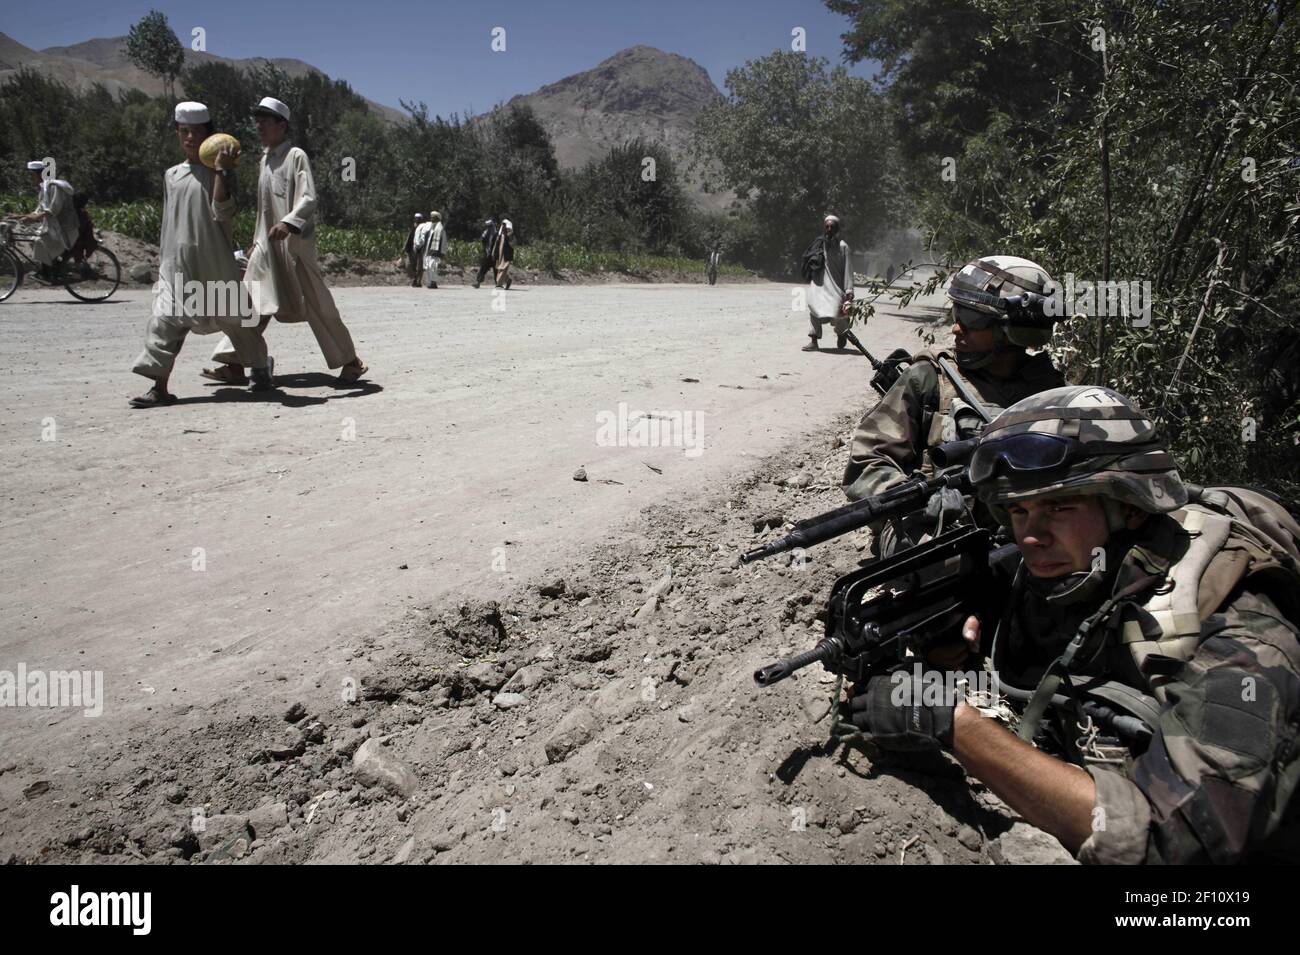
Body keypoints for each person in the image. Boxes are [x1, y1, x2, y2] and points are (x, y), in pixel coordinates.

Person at [842, 384, 1300, 863]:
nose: (1032, 536)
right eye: (1018, 510)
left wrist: (950, 722)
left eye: (1059, 507)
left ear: (1129, 504)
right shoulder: (1067, 567)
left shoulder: (1241, 633)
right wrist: (948, 638)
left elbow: (1171, 840)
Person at [842, 255, 1066, 556]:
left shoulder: (1052, 392)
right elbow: (868, 459)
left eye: (972, 320)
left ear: (1012, 330)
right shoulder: (929, 378)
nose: (957, 329)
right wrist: (911, 498)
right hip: (937, 531)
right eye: (957, 313)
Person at [202, 96, 368, 386]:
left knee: (318, 305)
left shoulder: (295, 156)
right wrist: (256, 240)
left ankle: (351, 361)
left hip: (294, 248)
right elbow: (263, 208)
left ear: (282, 125)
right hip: (266, 248)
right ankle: (235, 363)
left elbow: (308, 197)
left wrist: (288, 222)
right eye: (258, 120)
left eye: (265, 120)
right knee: (251, 303)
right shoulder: (265, 160)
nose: (259, 125)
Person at [129, 103, 272, 407]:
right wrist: (163, 257)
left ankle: (260, 368)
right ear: (177, 134)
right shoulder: (171, 175)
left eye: (197, 132)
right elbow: (170, 220)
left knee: (235, 321)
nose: (190, 138)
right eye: (184, 132)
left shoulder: (217, 175)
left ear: (210, 135)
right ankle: (159, 387)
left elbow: (223, 211)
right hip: (176, 263)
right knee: (164, 320)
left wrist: (221, 170)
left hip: (213, 262)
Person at [18, 160, 80, 277]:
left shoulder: (54, 187)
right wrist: (19, 216)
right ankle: (49, 268)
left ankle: (52, 271)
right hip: (56, 228)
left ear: (38, 175)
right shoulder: (44, 190)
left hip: (66, 229)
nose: (32, 179)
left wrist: (36, 217)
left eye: (32, 175)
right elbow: (38, 211)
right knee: (34, 238)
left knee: (39, 241)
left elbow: (53, 210)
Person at [803, 214, 853, 352]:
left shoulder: (843, 247)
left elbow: (848, 270)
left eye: (832, 227)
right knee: (813, 307)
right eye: (827, 227)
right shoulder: (819, 244)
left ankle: (841, 334)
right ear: (824, 228)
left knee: (839, 311)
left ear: (837, 229)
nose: (829, 229)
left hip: (836, 287)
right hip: (819, 285)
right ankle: (813, 340)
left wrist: (849, 291)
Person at [416, 211, 445, 289]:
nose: (431, 219)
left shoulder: (440, 229)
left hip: (435, 252)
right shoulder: (429, 229)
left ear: (437, 219)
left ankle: (434, 282)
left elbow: (444, 242)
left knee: (433, 267)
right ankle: (430, 282)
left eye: (433, 217)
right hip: (428, 251)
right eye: (431, 217)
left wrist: (442, 252)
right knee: (428, 267)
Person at [400, 212, 425, 287]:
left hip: (420, 249)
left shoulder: (423, 228)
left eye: (418, 219)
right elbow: (409, 238)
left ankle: (418, 281)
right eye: (416, 219)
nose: (417, 220)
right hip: (411, 249)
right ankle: (415, 278)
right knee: (409, 266)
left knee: (419, 267)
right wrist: (404, 248)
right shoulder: (412, 228)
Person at [472, 217, 498, 288]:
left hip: (495, 256)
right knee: (483, 269)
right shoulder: (486, 233)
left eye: (490, 226)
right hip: (488, 255)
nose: (489, 227)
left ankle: (498, 283)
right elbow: (483, 242)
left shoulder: (496, 234)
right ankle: (478, 282)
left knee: (496, 271)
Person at [493, 218, 514, 289]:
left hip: (506, 255)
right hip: (499, 255)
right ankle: (508, 280)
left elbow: (512, 245)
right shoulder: (499, 236)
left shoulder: (509, 237)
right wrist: (493, 253)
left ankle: (499, 284)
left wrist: (508, 237)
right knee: (500, 269)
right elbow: (496, 245)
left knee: (502, 269)